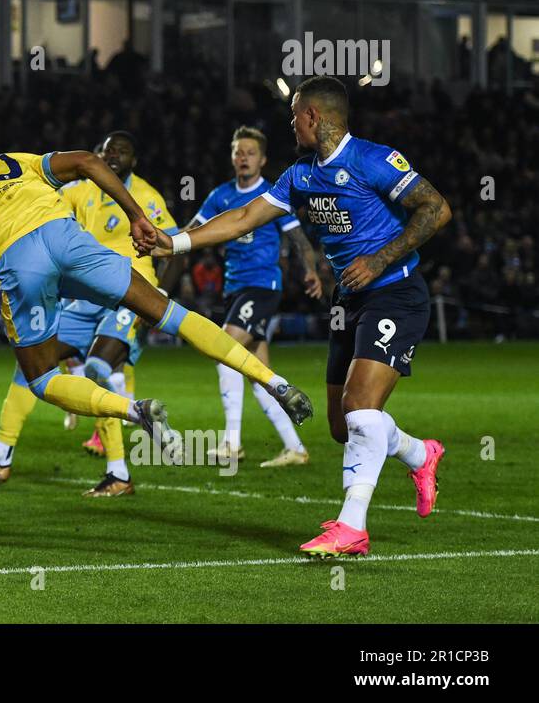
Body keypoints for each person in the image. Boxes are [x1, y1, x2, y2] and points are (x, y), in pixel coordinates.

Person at [0, 150, 314, 467]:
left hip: (19, 261)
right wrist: (135, 214)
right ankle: (274, 381)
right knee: (169, 313)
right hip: (66, 239)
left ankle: (133, 411)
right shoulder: (17, 161)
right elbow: (89, 161)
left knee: (43, 379)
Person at [146, 76, 450, 557]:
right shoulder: (300, 174)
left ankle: (351, 528)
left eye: (294, 115)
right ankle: (420, 452)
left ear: (312, 116)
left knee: (360, 408)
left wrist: (379, 259)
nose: (291, 124)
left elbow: (436, 208)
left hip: (395, 294)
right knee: (342, 426)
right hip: (348, 303)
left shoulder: (374, 159)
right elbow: (245, 218)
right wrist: (176, 241)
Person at [0, 131, 182, 498]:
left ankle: (123, 459)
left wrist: (160, 294)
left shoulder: (147, 197)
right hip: (82, 294)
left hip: (126, 294)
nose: (112, 156)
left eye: (121, 151)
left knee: (98, 370)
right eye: (106, 150)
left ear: (134, 160)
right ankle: (2, 455)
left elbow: (174, 247)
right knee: (32, 368)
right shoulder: (78, 190)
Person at [182, 126, 324, 468]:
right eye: (238, 152)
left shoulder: (272, 196)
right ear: (232, 157)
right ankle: (295, 448)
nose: (243, 157)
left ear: (262, 159)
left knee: (224, 349)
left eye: (249, 152)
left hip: (261, 286)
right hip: (234, 289)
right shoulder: (221, 195)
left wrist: (310, 270)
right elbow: (192, 231)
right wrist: (162, 240)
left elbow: (299, 239)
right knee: (259, 373)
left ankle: (231, 443)